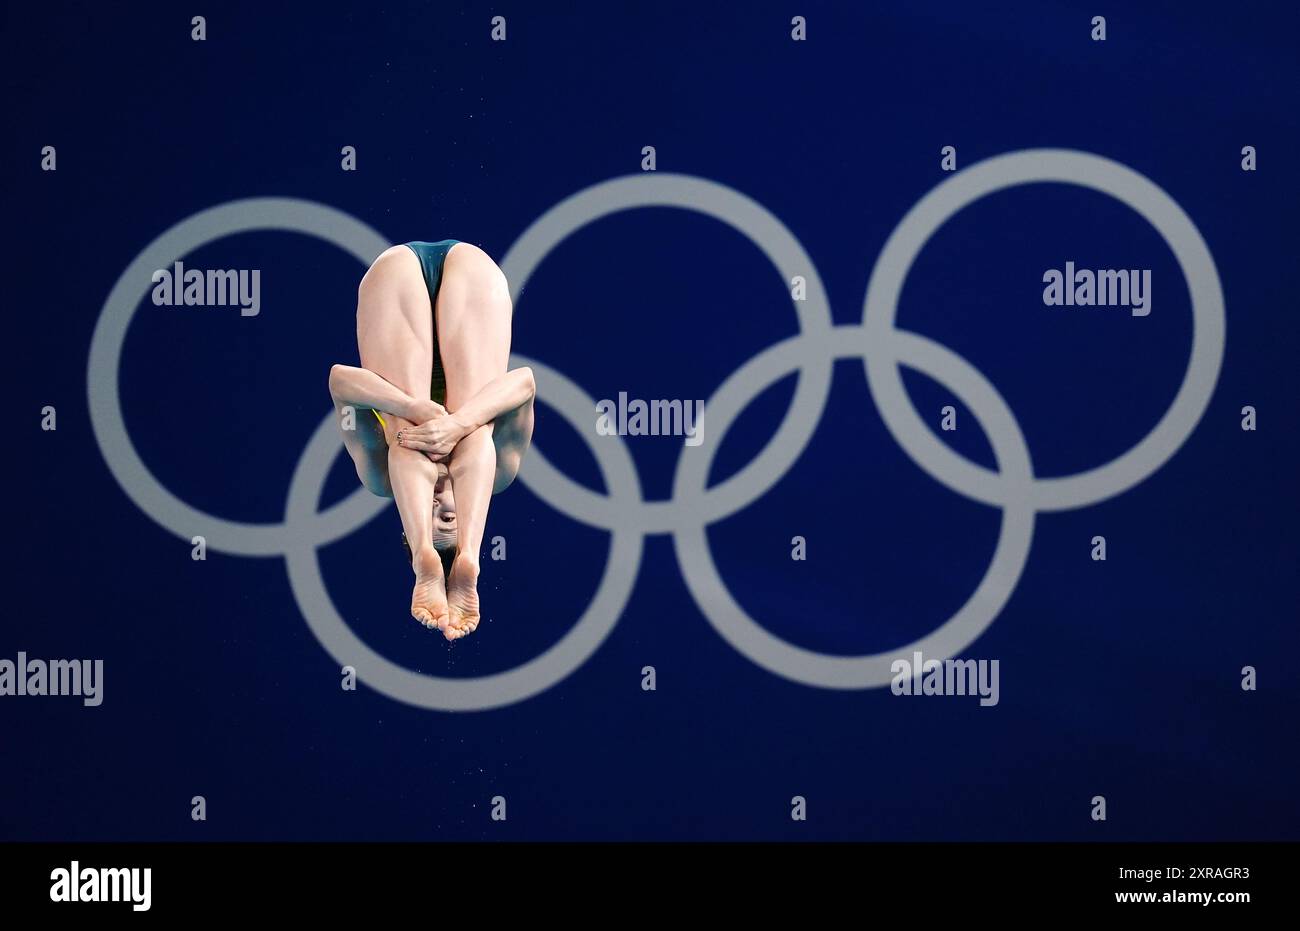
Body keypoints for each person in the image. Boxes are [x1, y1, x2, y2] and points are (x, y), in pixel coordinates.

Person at [327, 240, 535, 641]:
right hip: (472, 271)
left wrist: (408, 406)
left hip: (395, 274)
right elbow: (524, 382)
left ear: (409, 517)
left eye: (431, 513)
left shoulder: (380, 478)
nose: (440, 499)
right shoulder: (501, 474)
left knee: (404, 434)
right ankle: (469, 556)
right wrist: (460, 424)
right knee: (477, 434)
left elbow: (340, 381)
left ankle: (428, 558)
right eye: (449, 517)